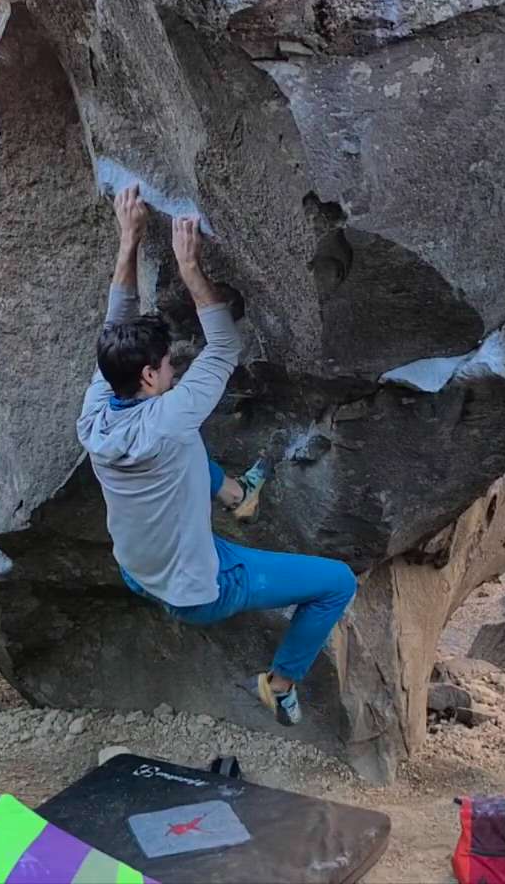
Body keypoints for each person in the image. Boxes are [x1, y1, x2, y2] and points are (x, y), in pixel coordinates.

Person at [77, 185, 357, 726]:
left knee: (182, 445)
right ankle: (280, 684)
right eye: (167, 364)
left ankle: (237, 495)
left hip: (138, 569)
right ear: (147, 376)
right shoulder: (169, 416)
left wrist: (128, 237)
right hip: (200, 589)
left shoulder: (96, 409)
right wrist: (190, 267)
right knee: (337, 582)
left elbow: (116, 324)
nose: (174, 369)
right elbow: (224, 346)